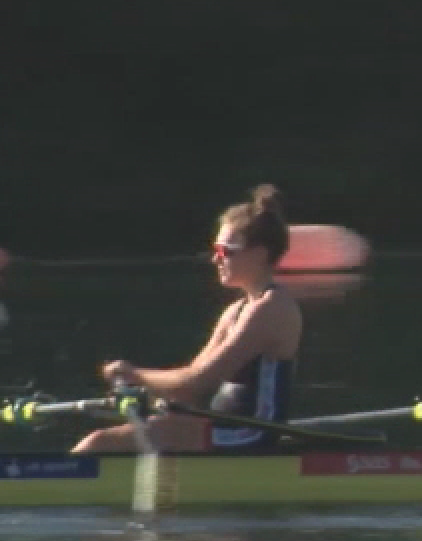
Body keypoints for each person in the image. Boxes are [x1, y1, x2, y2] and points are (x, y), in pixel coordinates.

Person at [74, 185, 301, 452]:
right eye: (215, 249)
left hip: (251, 435)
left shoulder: (272, 308)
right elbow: (191, 385)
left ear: (260, 253)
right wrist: (152, 398)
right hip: (222, 427)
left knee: (99, 444)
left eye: (227, 250)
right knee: (127, 434)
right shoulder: (235, 311)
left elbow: (194, 384)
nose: (217, 258)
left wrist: (134, 374)